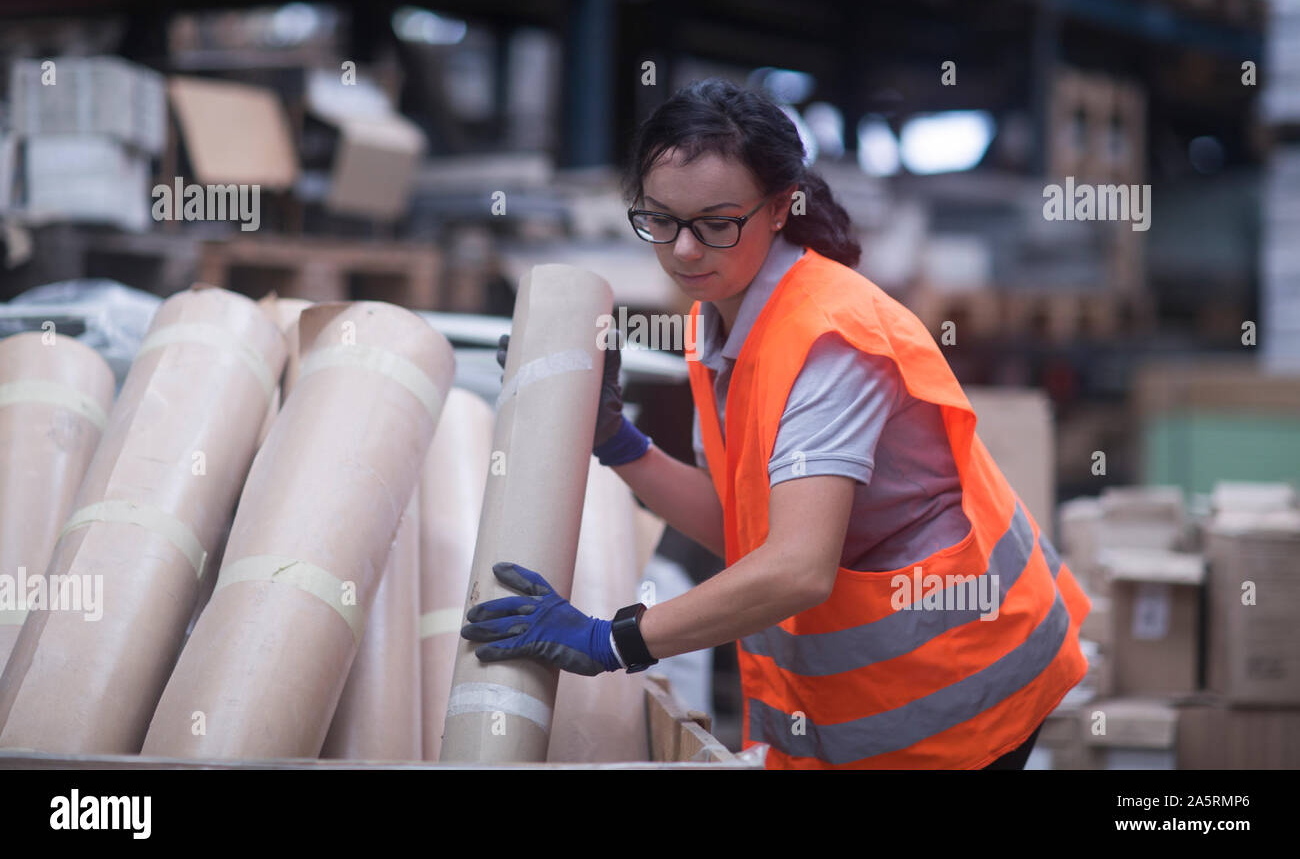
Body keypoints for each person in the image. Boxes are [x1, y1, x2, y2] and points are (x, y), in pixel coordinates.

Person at [460, 78, 1091, 769]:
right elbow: (747, 531)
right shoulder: (722, 317)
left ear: (781, 207)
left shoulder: (829, 341)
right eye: (659, 220)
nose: (685, 251)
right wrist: (621, 444)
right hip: (880, 700)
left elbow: (795, 569)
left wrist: (614, 640)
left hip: (963, 686)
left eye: (716, 223)